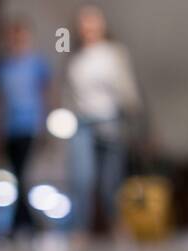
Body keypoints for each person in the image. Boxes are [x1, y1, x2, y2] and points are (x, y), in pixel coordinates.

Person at [66, 4, 141, 235]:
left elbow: (127, 88)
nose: (88, 27)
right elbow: (68, 93)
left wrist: (134, 115)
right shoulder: (75, 57)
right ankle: (80, 227)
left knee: (111, 180)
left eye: (92, 21)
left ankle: (117, 224)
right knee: (82, 177)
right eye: (84, 22)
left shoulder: (114, 53)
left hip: (110, 121)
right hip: (82, 123)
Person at [0, 17, 51, 236]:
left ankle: (19, 223)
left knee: (22, 173)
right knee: (15, 174)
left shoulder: (37, 64)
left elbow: (45, 95)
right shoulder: (1, 66)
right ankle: (28, 221)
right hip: (9, 128)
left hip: (30, 126)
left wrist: (46, 125)